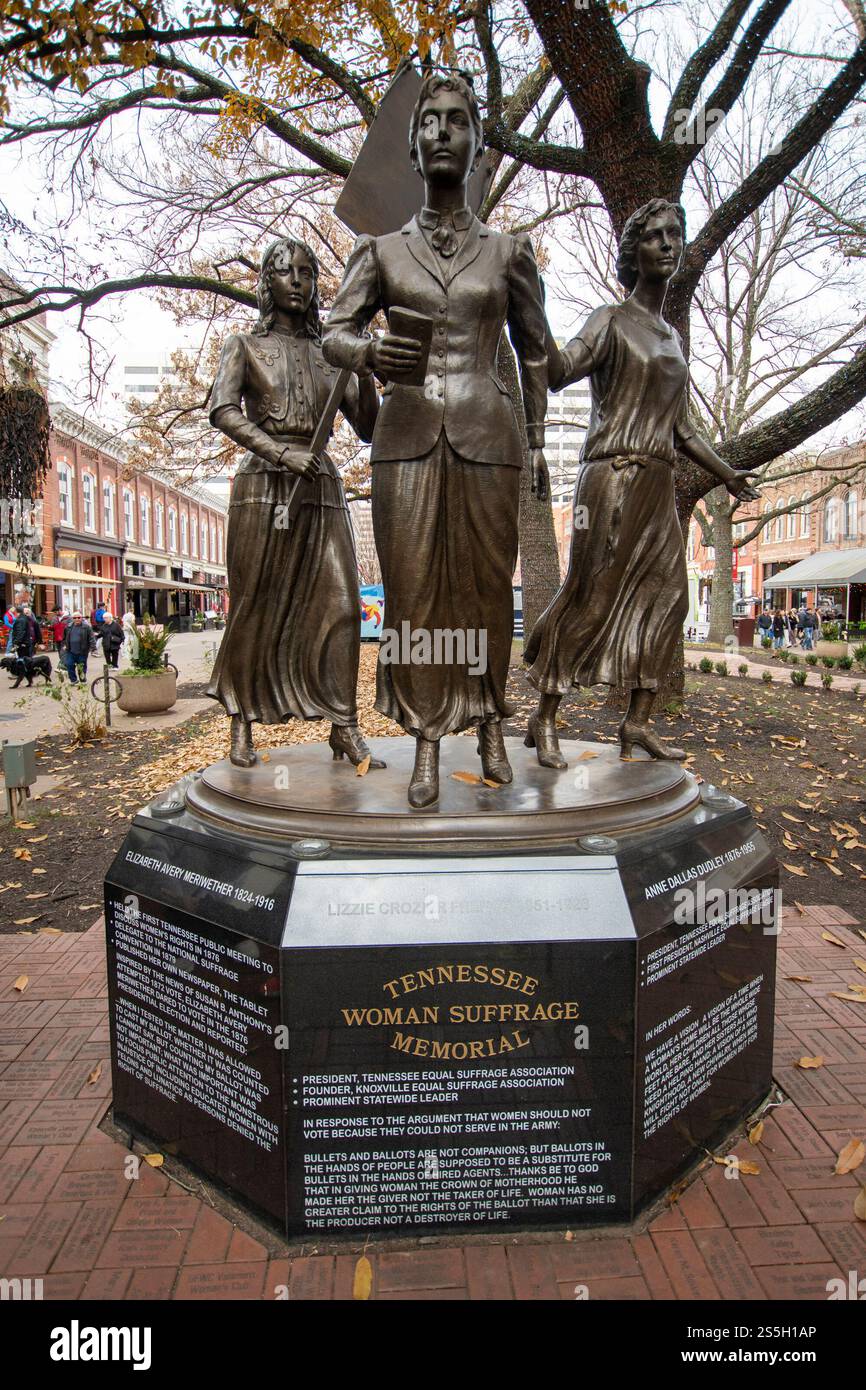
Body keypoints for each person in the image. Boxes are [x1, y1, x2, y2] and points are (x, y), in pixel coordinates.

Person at [323, 69, 549, 806]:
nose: (444, 131)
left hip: (489, 438)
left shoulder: (509, 252)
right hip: (406, 438)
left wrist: (540, 438)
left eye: (459, 120)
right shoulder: (381, 252)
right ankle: (425, 738)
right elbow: (334, 332)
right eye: (432, 122)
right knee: (415, 597)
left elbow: (534, 349)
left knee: (486, 594)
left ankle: (487, 725)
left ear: (478, 145)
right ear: (415, 149)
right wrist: (365, 354)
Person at [523, 198, 757, 765]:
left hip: (657, 482)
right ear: (635, 251)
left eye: (675, 234)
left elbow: (683, 428)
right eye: (655, 236)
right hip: (612, 476)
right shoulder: (610, 320)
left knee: (670, 597)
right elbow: (557, 372)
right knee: (592, 595)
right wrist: (532, 309)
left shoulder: (672, 338)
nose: (668, 244)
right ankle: (547, 713)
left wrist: (729, 475)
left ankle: (637, 724)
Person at [206, 233, 384, 771]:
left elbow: (370, 428)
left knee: (342, 606)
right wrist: (280, 452)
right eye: (287, 272)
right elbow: (222, 409)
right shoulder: (244, 345)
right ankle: (241, 723)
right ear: (267, 281)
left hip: (320, 487)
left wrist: (366, 367)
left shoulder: (331, 355)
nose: (299, 283)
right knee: (257, 603)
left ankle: (343, 724)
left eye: (307, 274)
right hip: (264, 484)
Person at [60, 612, 96, 683]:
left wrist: (93, 648)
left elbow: (91, 638)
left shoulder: (86, 627)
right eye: (74, 618)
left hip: (82, 651)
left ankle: (82, 680)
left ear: (81, 618)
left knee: (81, 667)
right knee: (69, 665)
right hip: (70, 650)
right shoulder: (68, 627)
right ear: (72, 619)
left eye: (78, 617)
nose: (77, 619)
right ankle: (73, 680)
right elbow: (64, 638)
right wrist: (64, 645)